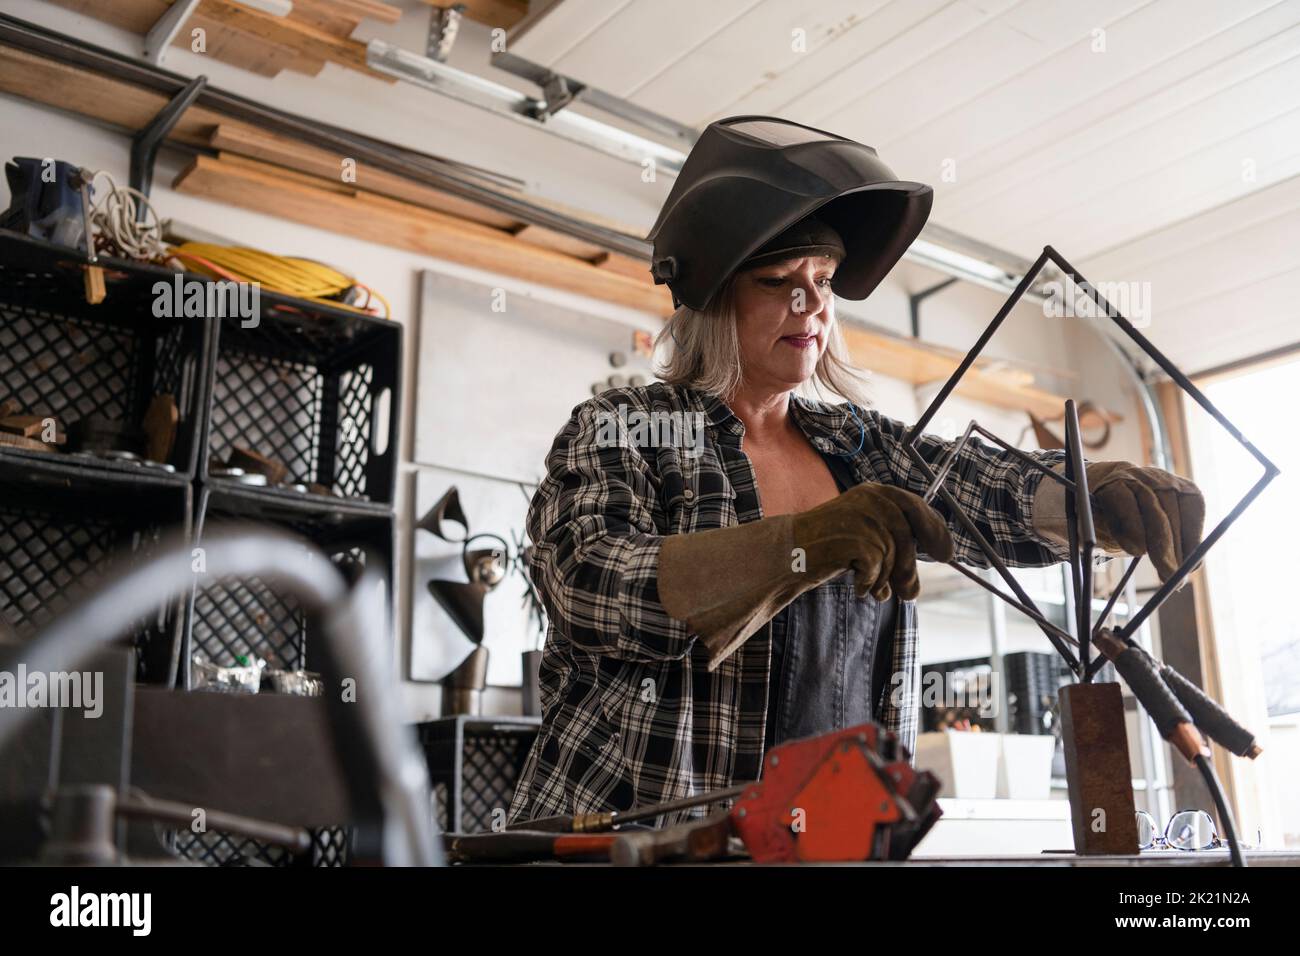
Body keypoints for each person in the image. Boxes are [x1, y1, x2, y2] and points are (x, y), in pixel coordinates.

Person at [506, 116, 1204, 829]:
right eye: (778, 280)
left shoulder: (857, 443)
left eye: (825, 280)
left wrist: (1089, 499)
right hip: (631, 842)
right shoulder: (625, 430)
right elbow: (590, 585)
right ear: (712, 299)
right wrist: (799, 543)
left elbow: (985, 489)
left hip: (824, 837)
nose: (811, 306)